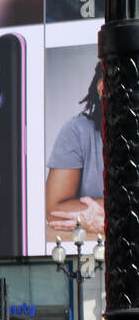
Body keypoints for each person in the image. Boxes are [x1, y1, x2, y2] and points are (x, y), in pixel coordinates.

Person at [46, 62, 106, 239]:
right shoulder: (77, 131)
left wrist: (110, 214)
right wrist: (117, 214)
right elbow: (55, 210)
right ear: (101, 87)